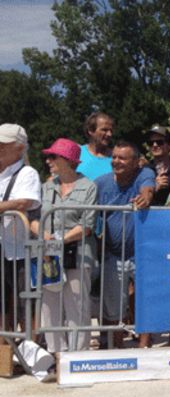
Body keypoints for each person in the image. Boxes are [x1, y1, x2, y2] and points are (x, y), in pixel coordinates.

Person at [32, 138, 97, 352]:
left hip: (78, 254)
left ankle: (77, 355)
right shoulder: (45, 187)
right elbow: (32, 218)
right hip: (49, 256)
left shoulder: (89, 187)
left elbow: (87, 224)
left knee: (76, 306)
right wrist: (44, 236)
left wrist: (61, 239)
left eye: (53, 156)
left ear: (69, 160)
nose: (48, 160)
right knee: (49, 306)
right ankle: (56, 354)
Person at [95, 141, 154, 348]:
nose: (116, 162)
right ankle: (118, 347)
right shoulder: (101, 183)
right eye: (114, 157)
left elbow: (147, 189)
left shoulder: (144, 174)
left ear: (136, 162)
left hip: (141, 252)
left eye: (122, 158)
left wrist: (146, 196)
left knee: (145, 301)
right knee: (114, 306)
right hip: (112, 253)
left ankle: (144, 346)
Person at [0, 124, 42, 330]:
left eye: (3, 144)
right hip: (3, 249)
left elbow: (23, 202)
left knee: (26, 305)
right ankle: (4, 355)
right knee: (3, 307)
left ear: (19, 147)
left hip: (21, 251)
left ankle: (29, 354)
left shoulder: (28, 173)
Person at [145, 125, 170, 206]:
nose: (155, 145)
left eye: (160, 142)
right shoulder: (144, 170)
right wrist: (155, 187)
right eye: (150, 143)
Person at [77, 112, 114, 181]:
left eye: (111, 131)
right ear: (90, 131)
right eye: (104, 130)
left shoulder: (116, 158)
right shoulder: (77, 153)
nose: (109, 134)